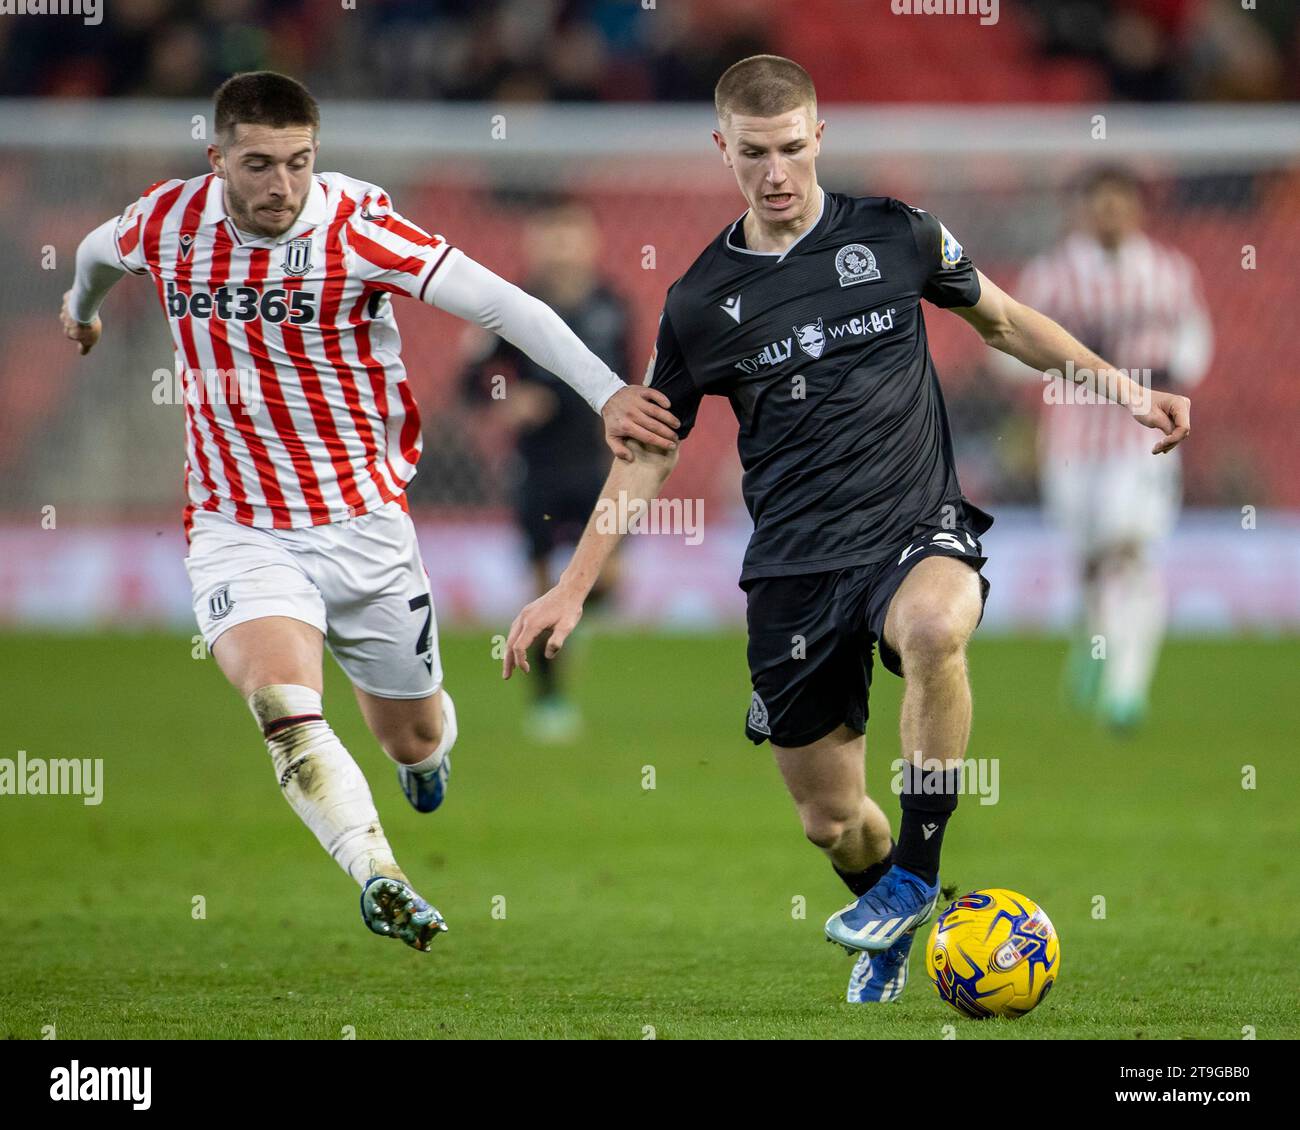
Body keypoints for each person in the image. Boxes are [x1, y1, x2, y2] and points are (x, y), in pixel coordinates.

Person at [502, 55, 1190, 1003]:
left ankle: (916, 873)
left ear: (819, 136)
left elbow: (1004, 322)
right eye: (753, 154)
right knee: (831, 821)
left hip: (914, 522)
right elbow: (649, 452)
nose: (776, 172)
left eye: (791, 148)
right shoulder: (700, 302)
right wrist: (572, 585)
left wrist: (1121, 388)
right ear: (723, 149)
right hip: (794, 565)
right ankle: (892, 910)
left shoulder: (897, 233)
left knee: (938, 628)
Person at [58, 71, 678, 952]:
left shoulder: (353, 224)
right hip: (239, 526)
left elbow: (505, 302)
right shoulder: (170, 220)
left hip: (364, 526)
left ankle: (423, 765)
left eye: (299, 163)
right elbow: (92, 252)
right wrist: (79, 313)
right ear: (217, 160)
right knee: (284, 705)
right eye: (259, 165)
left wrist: (610, 392)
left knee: (415, 738)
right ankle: (378, 872)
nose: (281, 186)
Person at [1010, 166, 1211, 729]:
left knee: (1133, 551)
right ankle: (1095, 641)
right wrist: (1054, 363)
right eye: (1099, 204)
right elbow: (1008, 348)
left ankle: (1127, 688)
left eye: (1119, 204)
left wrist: (1170, 370)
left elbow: (1196, 343)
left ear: (1137, 209)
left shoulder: (1169, 273)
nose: (1109, 214)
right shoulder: (1051, 277)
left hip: (1142, 443)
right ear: (1082, 209)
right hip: (1073, 442)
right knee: (1093, 559)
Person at [459, 198, 632, 743]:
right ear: (533, 243)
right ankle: (549, 701)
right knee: (540, 584)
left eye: (571, 235)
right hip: (537, 468)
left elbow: (631, 376)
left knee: (609, 581)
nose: (561, 247)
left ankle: (574, 614)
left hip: (599, 466)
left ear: (590, 242)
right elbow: (471, 383)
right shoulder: (510, 307)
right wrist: (507, 398)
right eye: (551, 235)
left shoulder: (613, 306)